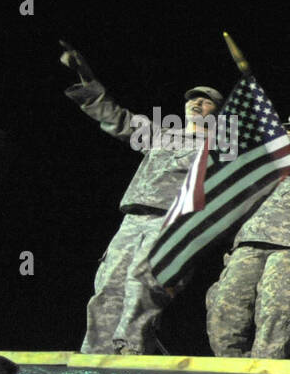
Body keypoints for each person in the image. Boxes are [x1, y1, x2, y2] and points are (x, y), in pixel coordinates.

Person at [59, 42, 222, 355]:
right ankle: (96, 356)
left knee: (144, 284)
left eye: (207, 102)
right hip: (133, 218)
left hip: (173, 220)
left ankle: (132, 353)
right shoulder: (161, 135)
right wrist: (85, 76)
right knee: (108, 284)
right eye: (193, 99)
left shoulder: (221, 148)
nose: (197, 104)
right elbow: (116, 118)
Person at [206, 113, 290, 359]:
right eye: (288, 129)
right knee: (224, 307)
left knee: (277, 313)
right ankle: (230, 371)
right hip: (248, 243)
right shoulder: (261, 171)